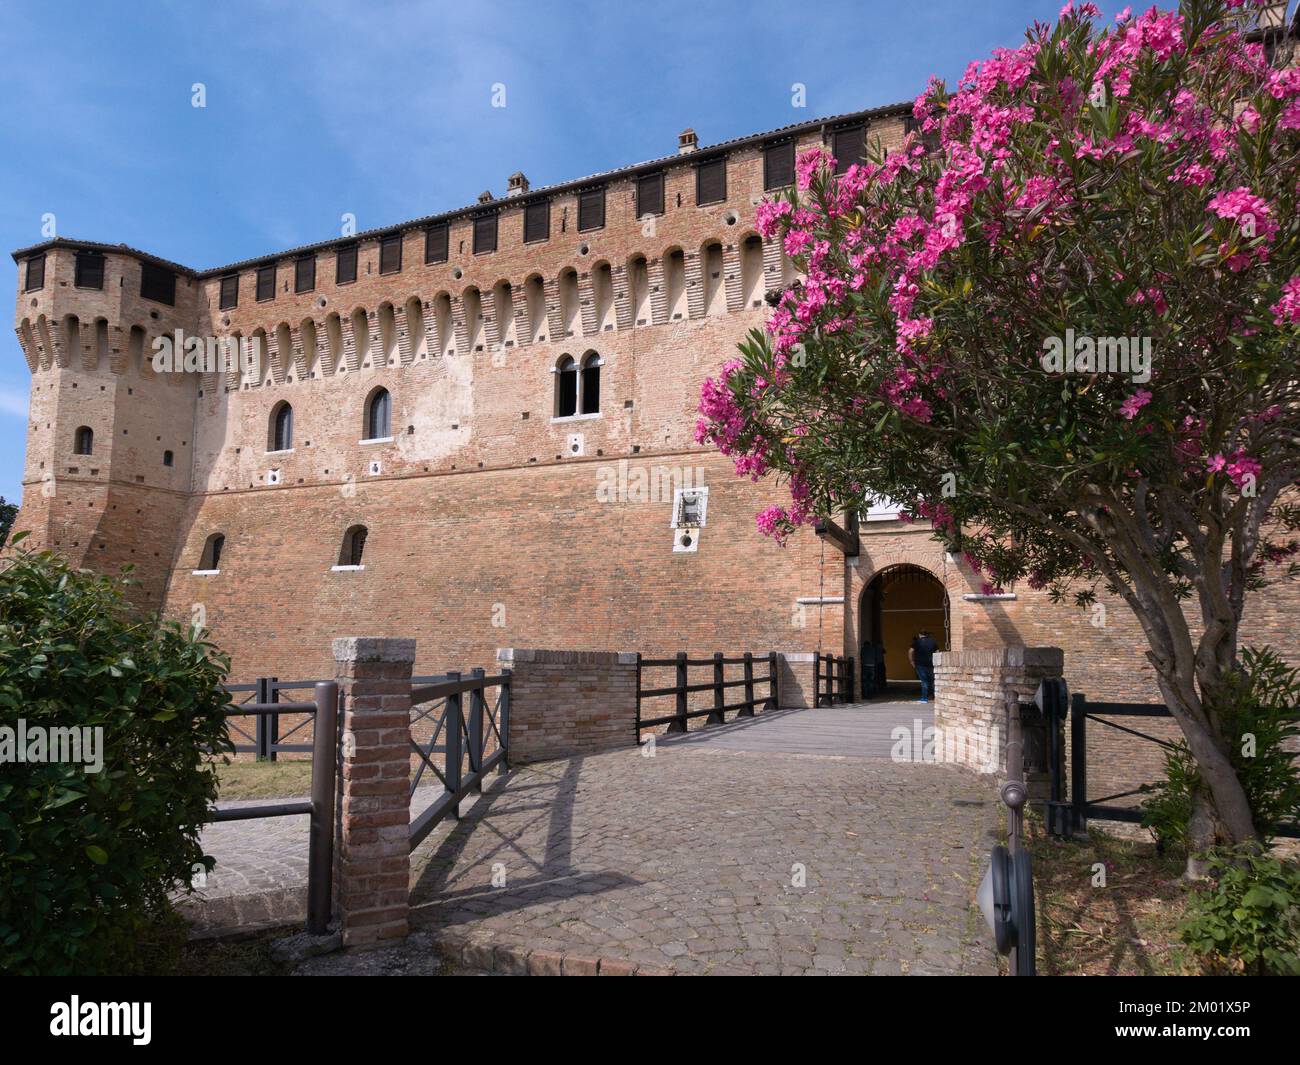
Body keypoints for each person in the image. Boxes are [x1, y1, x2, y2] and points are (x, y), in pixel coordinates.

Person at [908, 629, 939, 703]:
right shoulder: (933, 642)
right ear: (927, 634)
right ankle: (934, 696)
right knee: (932, 681)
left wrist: (912, 661)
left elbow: (910, 651)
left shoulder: (916, 642)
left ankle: (924, 698)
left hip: (920, 664)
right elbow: (937, 652)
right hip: (931, 664)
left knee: (924, 681)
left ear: (919, 635)